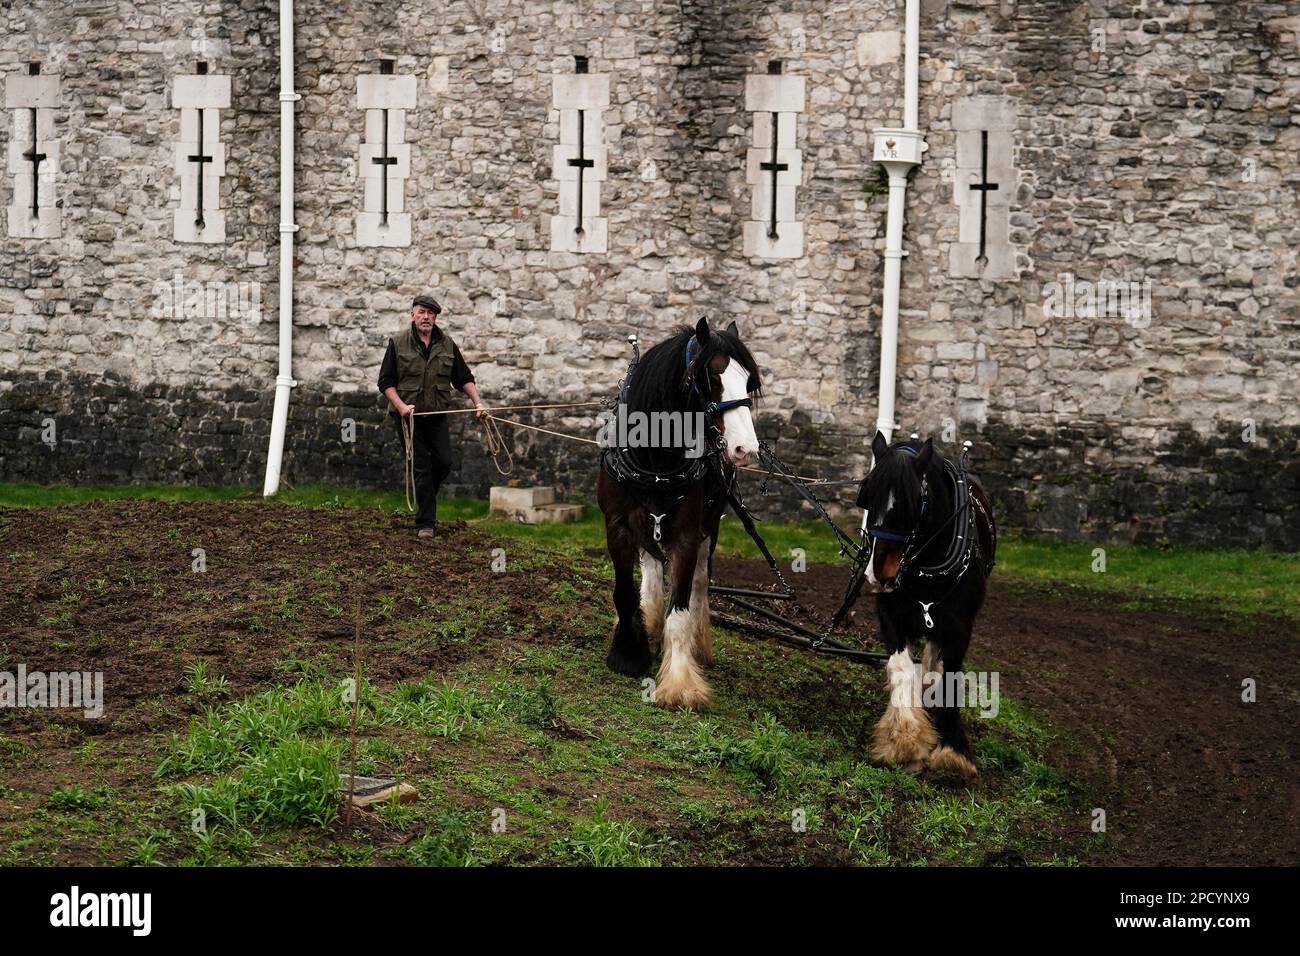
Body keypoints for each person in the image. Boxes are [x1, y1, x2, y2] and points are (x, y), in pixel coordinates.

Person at [377, 294, 485, 537]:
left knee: (444, 462)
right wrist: (402, 406)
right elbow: (385, 382)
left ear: (435, 317)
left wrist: (478, 403)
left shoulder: (446, 344)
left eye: (430, 313)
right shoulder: (398, 342)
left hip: (436, 414)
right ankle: (426, 523)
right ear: (412, 315)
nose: (426, 317)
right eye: (421, 312)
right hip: (408, 418)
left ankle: (424, 497)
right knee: (422, 467)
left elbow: (463, 378)